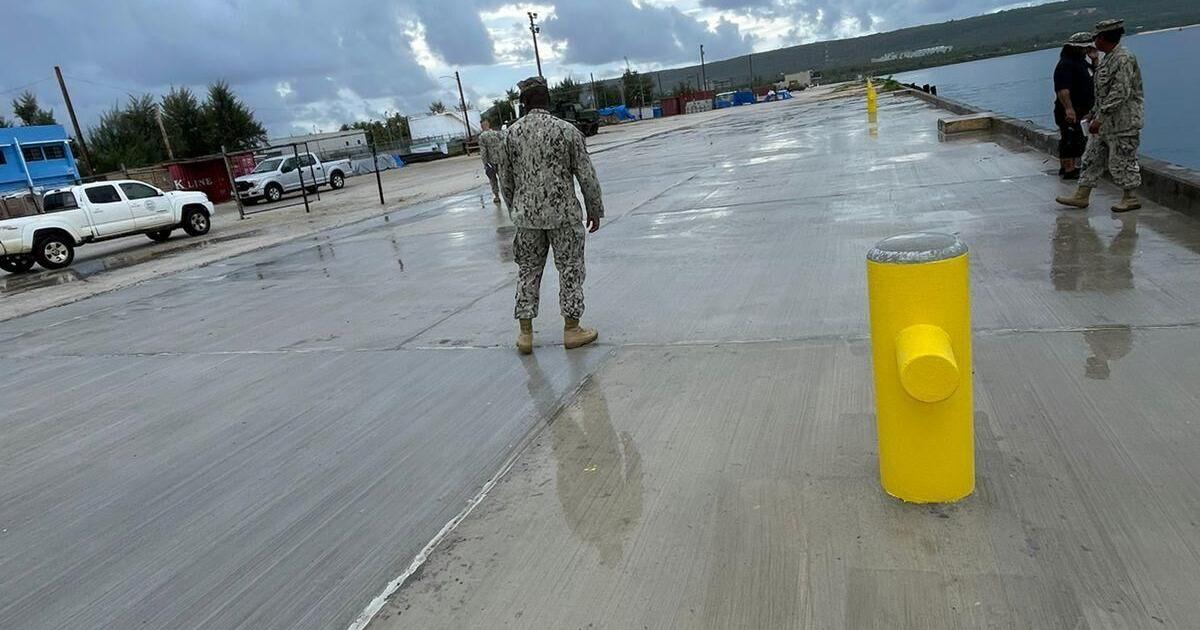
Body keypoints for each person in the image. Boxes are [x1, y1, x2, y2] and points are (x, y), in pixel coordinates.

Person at [500, 76, 604, 354]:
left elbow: (506, 181)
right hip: (564, 216)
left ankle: (525, 334)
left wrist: (517, 209)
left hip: (527, 219)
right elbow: (587, 175)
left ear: (524, 103)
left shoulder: (510, 135)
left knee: (528, 271)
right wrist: (595, 208)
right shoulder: (567, 131)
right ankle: (571, 329)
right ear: (548, 101)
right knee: (570, 269)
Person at [1057, 19, 1144, 212]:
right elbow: (1102, 92)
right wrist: (1094, 113)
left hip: (1122, 122)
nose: (1093, 41)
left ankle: (1130, 198)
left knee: (1123, 159)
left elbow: (1120, 92)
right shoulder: (1108, 58)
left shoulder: (1123, 58)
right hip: (1104, 123)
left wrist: (1100, 117)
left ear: (1103, 38)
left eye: (1096, 37)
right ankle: (1082, 195)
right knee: (1091, 158)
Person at [1052, 32, 1096, 179]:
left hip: (1083, 109)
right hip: (1070, 109)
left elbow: (1095, 75)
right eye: (1084, 48)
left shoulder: (1082, 63)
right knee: (1069, 137)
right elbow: (1062, 89)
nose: (1086, 50)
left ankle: (1068, 166)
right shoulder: (1065, 64)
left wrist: (1094, 59)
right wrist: (1068, 109)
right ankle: (1068, 169)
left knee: (1076, 137)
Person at [477, 120, 504, 204]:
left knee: (493, 180)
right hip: (500, 159)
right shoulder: (497, 133)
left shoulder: (482, 137)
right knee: (503, 178)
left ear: (481, 126)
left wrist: (485, 163)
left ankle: (496, 196)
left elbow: (483, 151)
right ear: (489, 124)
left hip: (490, 162)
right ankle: (507, 193)